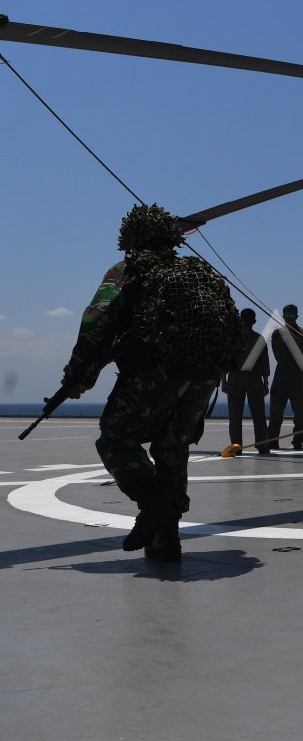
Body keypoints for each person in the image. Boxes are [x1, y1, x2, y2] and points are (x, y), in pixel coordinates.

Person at [59, 203, 242, 561]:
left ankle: (154, 505)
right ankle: (166, 539)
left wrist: (78, 375)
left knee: (115, 438)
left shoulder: (129, 270)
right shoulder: (197, 272)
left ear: (132, 237)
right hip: (206, 375)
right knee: (172, 447)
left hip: (158, 371)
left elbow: (97, 322)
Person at [267, 304, 303, 450]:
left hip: (297, 376)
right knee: (275, 412)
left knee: (300, 413)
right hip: (280, 375)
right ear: (283, 316)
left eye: (292, 315)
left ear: (297, 316)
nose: (289, 318)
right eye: (286, 315)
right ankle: (272, 441)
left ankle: (298, 442)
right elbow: (278, 355)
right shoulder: (277, 334)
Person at [223, 308, 271, 454]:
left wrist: (223, 380)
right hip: (253, 378)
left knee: (235, 415)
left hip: (235, 377)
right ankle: (262, 445)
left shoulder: (232, 338)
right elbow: (265, 362)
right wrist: (265, 382)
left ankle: (236, 447)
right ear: (254, 321)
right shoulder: (259, 338)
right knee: (258, 414)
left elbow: (224, 360)